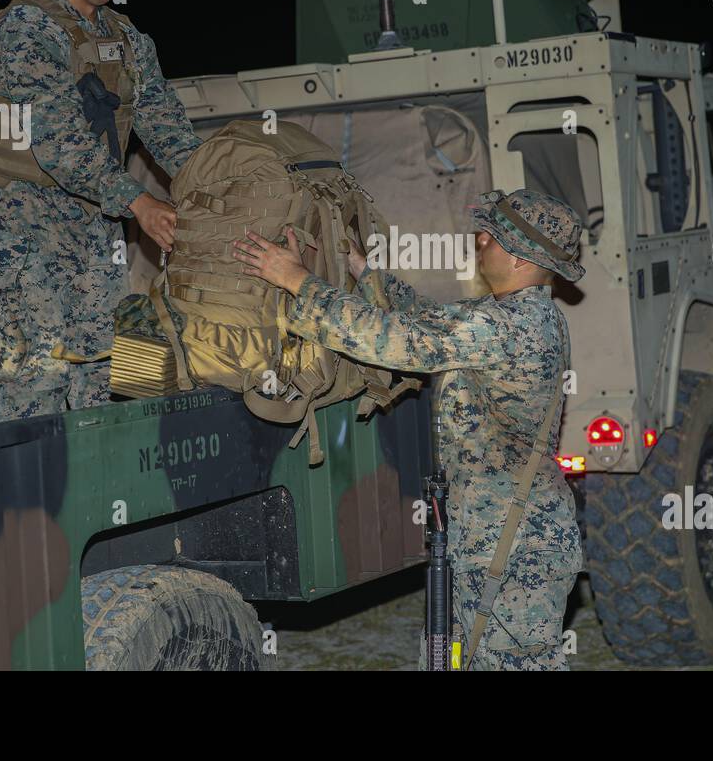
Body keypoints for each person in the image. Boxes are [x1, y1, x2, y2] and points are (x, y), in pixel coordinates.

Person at [234, 188, 586, 670]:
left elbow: (394, 343)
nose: (480, 239)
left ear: (524, 259)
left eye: (494, 236)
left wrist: (296, 280)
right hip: (495, 531)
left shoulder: (506, 327)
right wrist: (366, 274)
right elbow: (433, 320)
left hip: (515, 545)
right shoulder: (523, 314)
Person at [0, 0, 200, 421]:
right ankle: (26, 506)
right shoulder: (23, 32)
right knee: (31, 401)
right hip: (16, 239)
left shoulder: (126, 39)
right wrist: (142, 205)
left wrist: (214, 185)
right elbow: (61, 144)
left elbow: (168, 129)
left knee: (96, 388)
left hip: (90, 237)